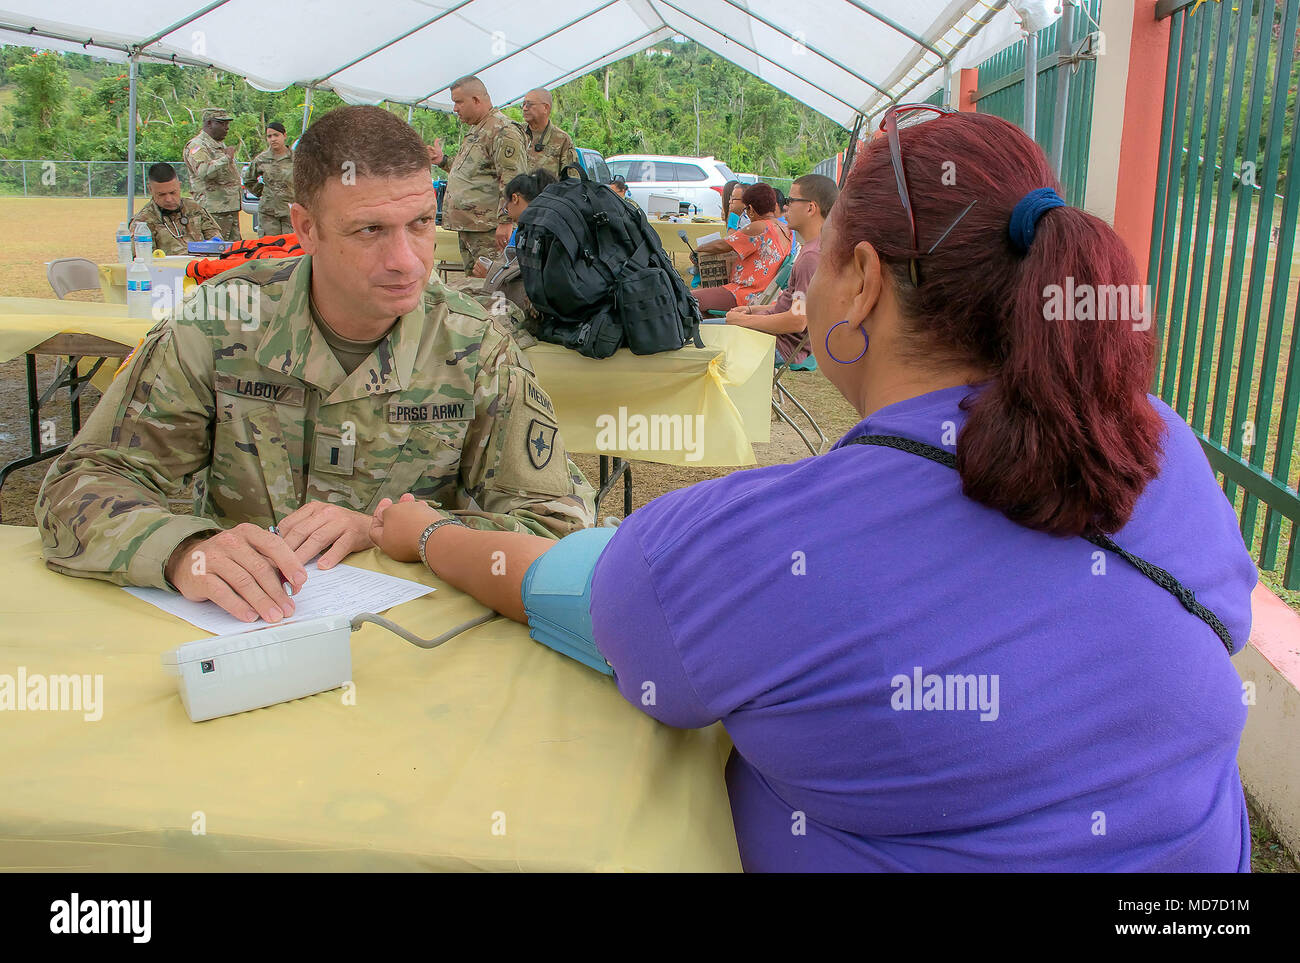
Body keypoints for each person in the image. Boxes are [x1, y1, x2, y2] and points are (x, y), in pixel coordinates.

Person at [367, 109, 1257, 872]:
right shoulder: (1160, 443)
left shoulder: (762, 546)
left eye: (824, 257)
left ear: (861, 281)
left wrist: (426, 533)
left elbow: (563, 589)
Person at [37, 105, 595, 626]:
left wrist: (393, 533)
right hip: (242, 630)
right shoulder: (220, 322)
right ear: (305, 228)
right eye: (370, 230)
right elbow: (82, 485)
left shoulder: (474, 346)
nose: (407, 262)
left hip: (409, 643)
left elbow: (557, 525)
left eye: (421, 224)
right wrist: (185, 550)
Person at [724, 173, 837, 369]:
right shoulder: (817, 249)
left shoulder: (811, 258)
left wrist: (744, 321)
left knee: (700, 336)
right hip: (777, 339)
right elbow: (795, 307)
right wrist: (752, 310)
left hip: (779, 346)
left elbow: (797, 320)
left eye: (791, 201)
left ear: (811, 208)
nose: (785, 206)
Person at [426, 75, 529, 271]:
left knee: (492, 286)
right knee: (475, 289)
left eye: (458, 102)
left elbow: (514, 180)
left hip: (488, 231)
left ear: (476, 100)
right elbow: (474, 173)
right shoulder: (478, 130)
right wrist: (443, 161)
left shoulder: (503, 131)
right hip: (470, 228)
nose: (455, 108)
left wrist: (505, 221)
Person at [691, 182, 792, 313]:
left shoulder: (760, 227)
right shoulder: (784, 228)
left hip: (746, 293)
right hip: (766, 294)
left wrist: (698, 249)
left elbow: (723, 245)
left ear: (750, 209)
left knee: (688, 299)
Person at [469, 168, 556, 278]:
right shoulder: (553, 228)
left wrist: (491, 274)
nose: (508, 213)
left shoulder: (529, 234)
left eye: (506, 207)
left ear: (515, 198)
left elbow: (528, 281)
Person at [128, 162, 222, 256]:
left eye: (173, 192)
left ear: (179, 185)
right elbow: (142, 259)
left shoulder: (194, 208)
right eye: (161, 194)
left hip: (201, 266)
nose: (168, 199)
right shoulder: (143, 222)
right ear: (150, 189)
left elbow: (217, 243)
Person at [184, 107, 243, 241]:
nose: (226, 127)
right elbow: (203, 172)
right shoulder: (197, 146)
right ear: (209, 123)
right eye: (221, 123)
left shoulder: (218, 145)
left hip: (228, 207)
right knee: (216, 249)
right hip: (213, 210)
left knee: (235, 250)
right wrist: (226, 158)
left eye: (227, 124)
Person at [243, 121, 295, 237]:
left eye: (276, 135)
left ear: (284, 136)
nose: (273, 139)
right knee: (268, 247)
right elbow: (248, 179)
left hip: (290, 212)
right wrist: (262, 192)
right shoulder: (262, 159)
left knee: (293, 248)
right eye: (269, 136)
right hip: (268, 213)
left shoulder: (295, 158)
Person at [515, 88, 580, 179]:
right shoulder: (516, 132)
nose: (525, 108)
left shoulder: (562, 139)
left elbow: (572, 181)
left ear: (545, 108)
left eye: (529, 104)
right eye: (523, 104)